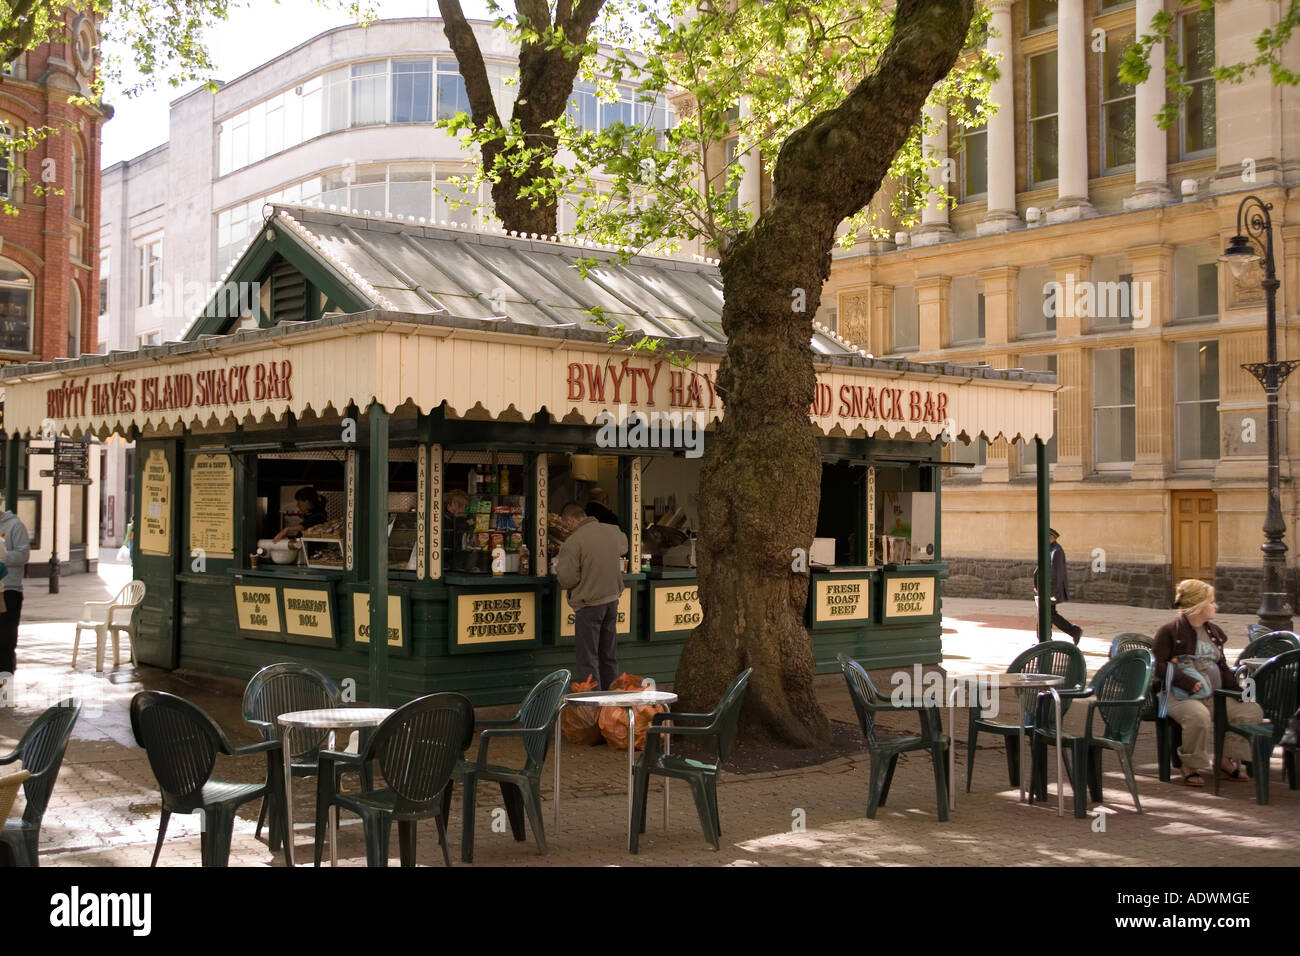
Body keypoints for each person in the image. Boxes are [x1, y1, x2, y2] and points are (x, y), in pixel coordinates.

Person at [1153, 580, 1264, 788]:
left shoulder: (1213, 632)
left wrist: (1237, 692)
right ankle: (1190, 766)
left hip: (1213, 694)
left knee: (1251, 710)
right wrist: (1185, 681)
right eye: (1211, 602)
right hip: (1178, 695)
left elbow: (1222, 666)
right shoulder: (1170, 631)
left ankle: (1224, 759)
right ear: (1197, 605)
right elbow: (1157, 665)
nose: (1216, 606)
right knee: (1198, 716)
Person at [555, 504, 628, 690]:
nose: (567, 528)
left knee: (588, 659)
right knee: (608, 656)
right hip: (612, 600)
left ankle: (593, 708)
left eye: (566, 524)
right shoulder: (611, 532)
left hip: (589, 604)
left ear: (571, 520)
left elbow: (567, 579)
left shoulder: (573, 541)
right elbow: (625, 547)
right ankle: (612, 706)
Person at [1035, 528, 1083, 644]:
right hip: (1044, 588)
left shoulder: (1056, 551)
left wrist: (1051, 592)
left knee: (1047, 614)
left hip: (1049, 590)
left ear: (1051, 537)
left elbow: (1056, 574)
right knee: (1047, 614)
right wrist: (1036, 585)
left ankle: (1073, 631)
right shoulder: (1050, 549)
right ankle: (1045, 638)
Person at [0, 506, 30, 686]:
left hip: (10, 590)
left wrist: (2, 557)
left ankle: (5, 691)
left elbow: (23, 555)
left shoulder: (15, 526)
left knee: (5, 641)